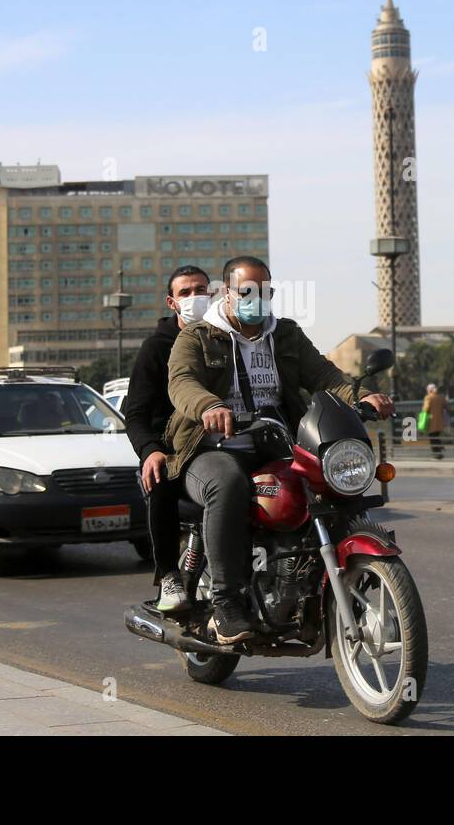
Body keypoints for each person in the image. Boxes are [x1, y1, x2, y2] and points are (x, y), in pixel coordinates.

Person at [164, 256, 393, 643]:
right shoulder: (198, 336)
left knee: (322, 485)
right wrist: (209, 406)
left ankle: (303, 578)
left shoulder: (284, 334)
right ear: (227, 293)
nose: (258, 299)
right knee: (228, 484)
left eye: (265, 291)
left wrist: (363, 394)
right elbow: (182, 382)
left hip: (277, 440)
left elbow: (324, 375)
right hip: (211, 448)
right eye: (248, 292)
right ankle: (227, 604)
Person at [124, 264, 213, 613]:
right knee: (162, 477)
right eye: (186, 293)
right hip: (172, 445)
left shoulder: (225, 338)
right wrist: (150, 450)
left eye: (201, 290)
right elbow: (136, 413)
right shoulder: (156, 348)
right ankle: (168, 576)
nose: (195, 298)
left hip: (220, 442)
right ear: (171, 302)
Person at [422, 383, 448, 460]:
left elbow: (426, 409)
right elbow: (447, 407)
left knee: (432, 438)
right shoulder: (441, 398)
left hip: (431, 421)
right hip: (440, 421)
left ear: (429, 390)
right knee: (436, 436)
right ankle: (440, 449)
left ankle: (437, 454)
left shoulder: (428, 398)